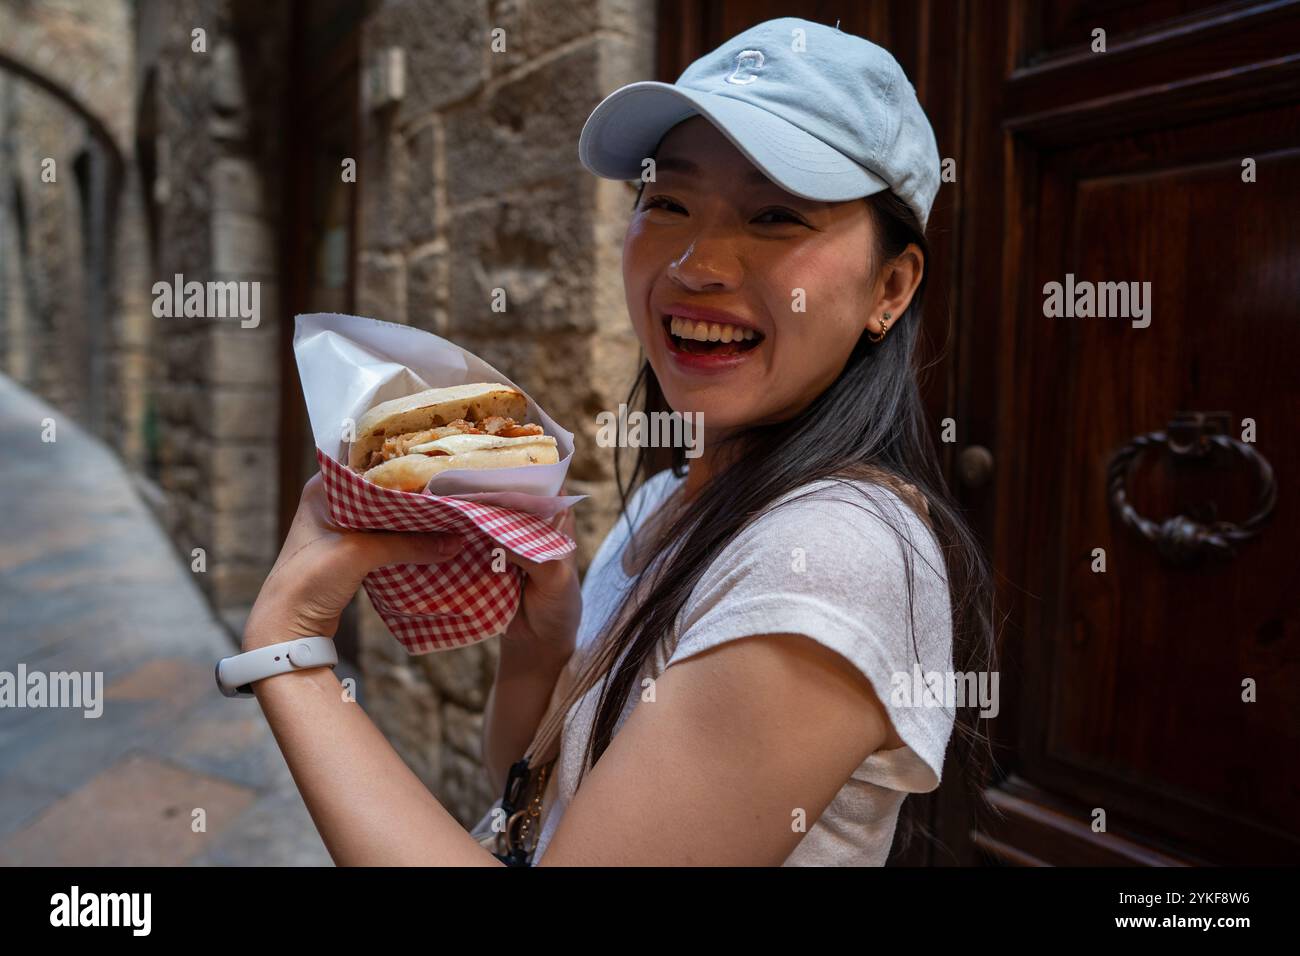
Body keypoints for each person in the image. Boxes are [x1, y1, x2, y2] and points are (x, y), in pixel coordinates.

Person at [240, 16, 995, 866]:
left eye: (777, 215)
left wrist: (291, 651)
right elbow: (534, 792)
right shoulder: (665, 499)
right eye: (668, 202)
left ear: (889, 287)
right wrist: (542, 650)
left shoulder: (830, 559)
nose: (695, 263)